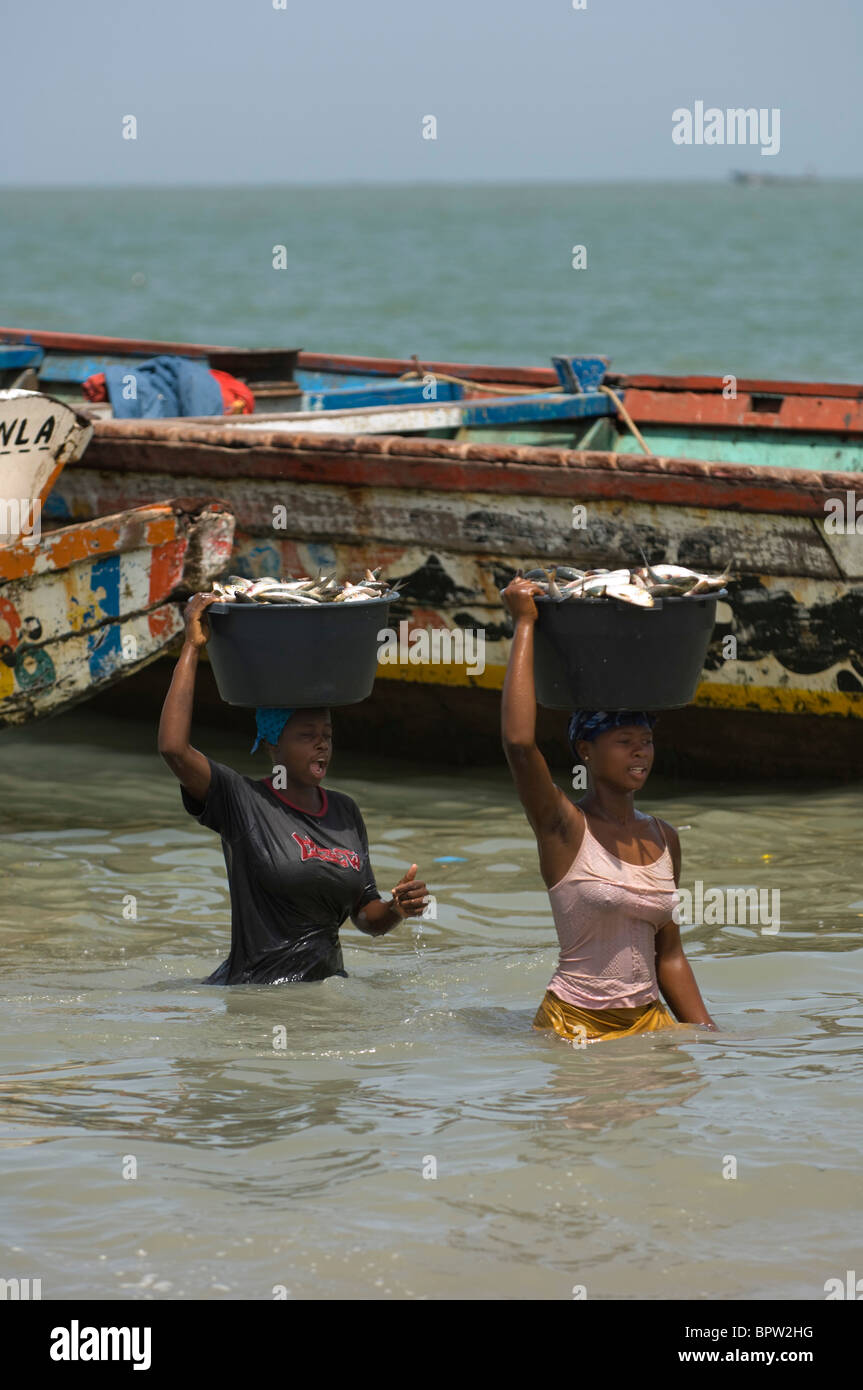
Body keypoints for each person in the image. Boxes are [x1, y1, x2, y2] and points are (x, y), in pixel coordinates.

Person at [158, 591, 429, 985]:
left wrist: (396, 908)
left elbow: (366, 915)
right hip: (258, 996)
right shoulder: (243, 801)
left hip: (325, 995)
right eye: (307, 735)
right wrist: (191, 648)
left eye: (328, 735)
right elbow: (173, 749)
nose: (322, 744)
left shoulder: (343, 811)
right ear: (273, 744)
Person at [501, 576, 717, 1044]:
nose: (640, 753)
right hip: (574, 1027)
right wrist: (524, 623)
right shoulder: (563, 826)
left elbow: (671, 956)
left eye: (646, 742)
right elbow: (519, 745)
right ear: (586, 750)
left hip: (649, 1023)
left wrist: (709, 1036)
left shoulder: (663, 838)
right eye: (624, 743)